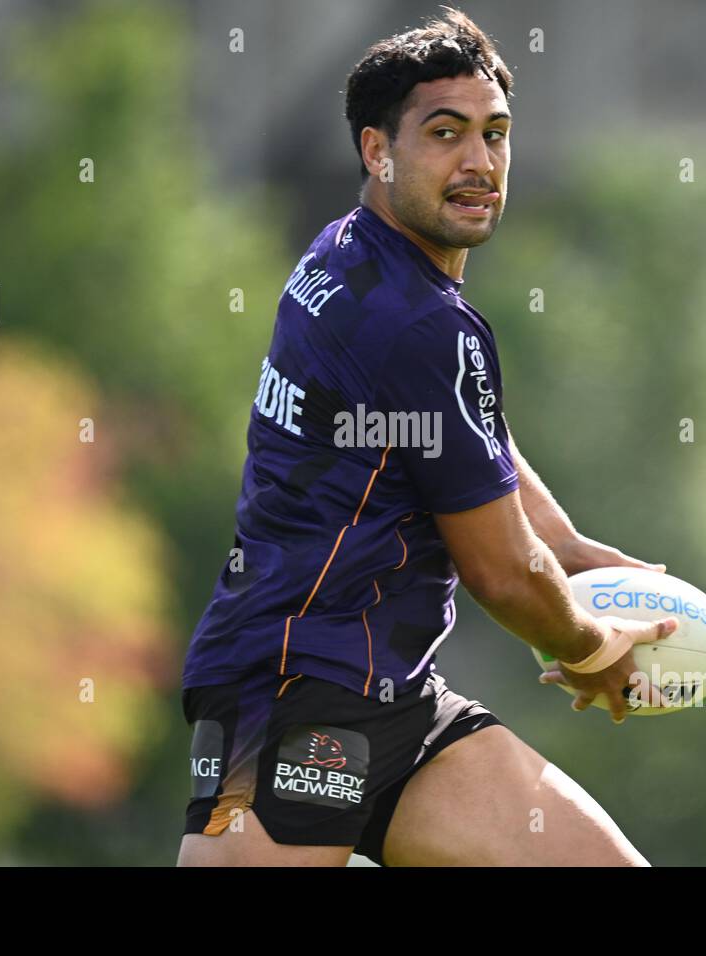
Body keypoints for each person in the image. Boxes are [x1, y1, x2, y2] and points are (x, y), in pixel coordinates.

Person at [177, 7, 678, 868]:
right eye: (445, 134)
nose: (479, 163)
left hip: (393, 700)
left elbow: (462, 444)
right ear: (378, 150)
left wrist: (569, 548)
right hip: (299, 694)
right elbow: (500, 571)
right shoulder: (422, 326)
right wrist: (592, 649)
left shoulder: (344, 252)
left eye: (495, 134)